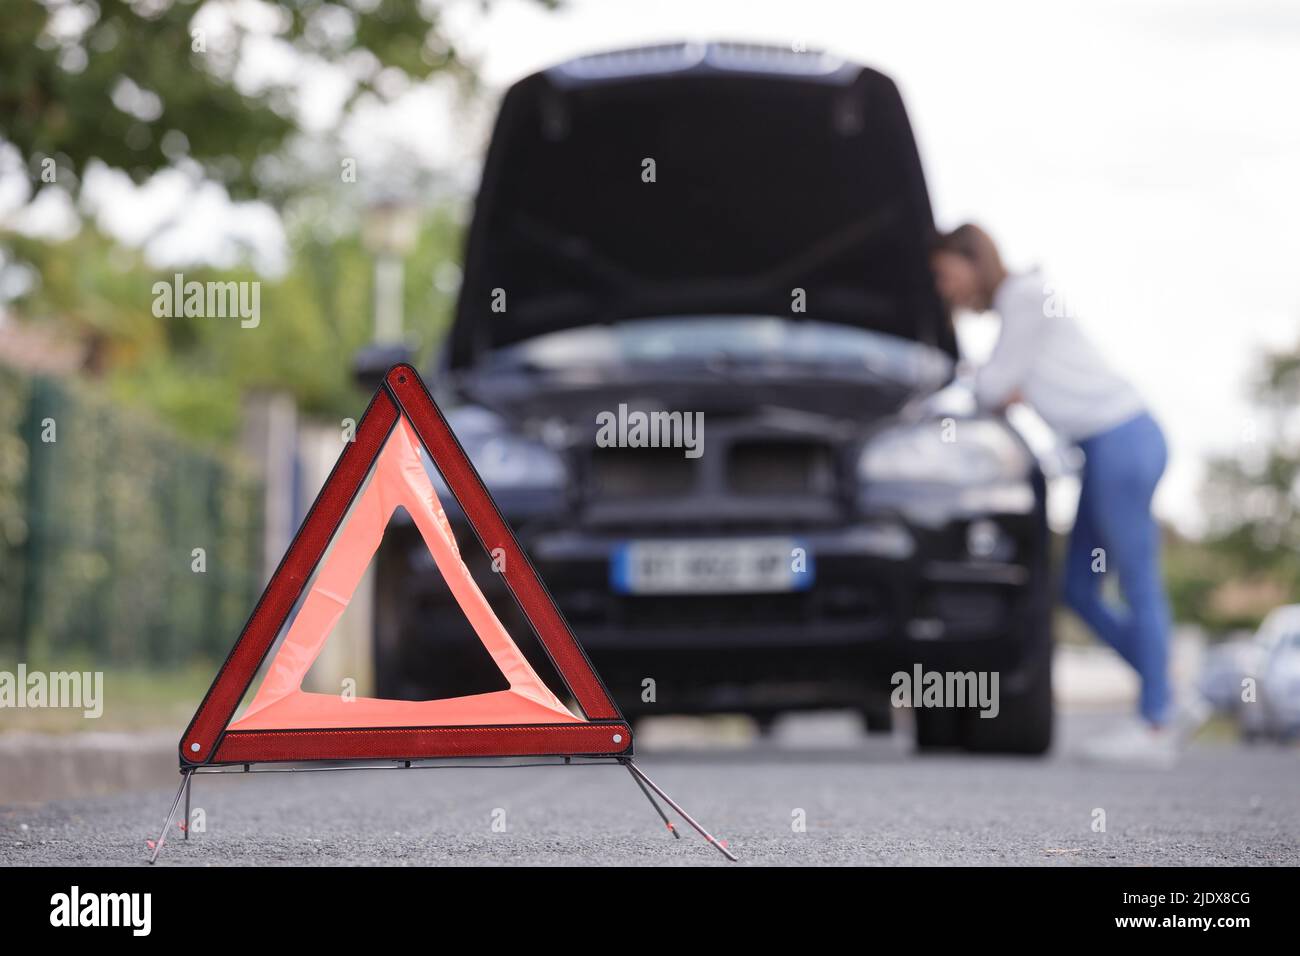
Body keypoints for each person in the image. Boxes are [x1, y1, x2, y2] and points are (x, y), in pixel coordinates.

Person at [930, 223, 1187, 765]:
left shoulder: (1024, 296)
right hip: (1101, 450)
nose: (944, 288)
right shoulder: (1017, 308)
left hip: (1122, 438)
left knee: (1138, 578)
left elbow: (994, 389)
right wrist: (997, 382)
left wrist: (975, 380)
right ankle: (1164, 688)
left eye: (945, 274)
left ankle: (1158, 723)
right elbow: (1004, 385)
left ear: (972, 259)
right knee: (1077, 587)